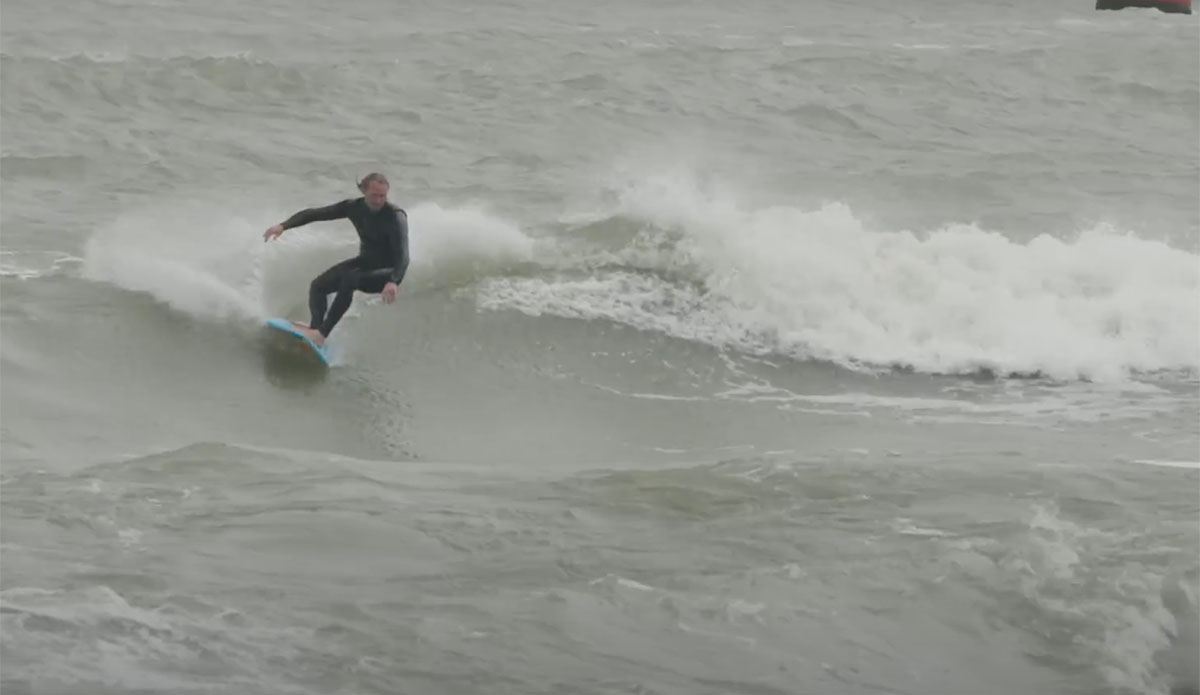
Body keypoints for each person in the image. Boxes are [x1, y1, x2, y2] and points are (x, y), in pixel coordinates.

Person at [263, 173, 410, 346]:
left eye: (383, 196)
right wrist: (283, 226)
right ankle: (315, 329)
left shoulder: (395, 216)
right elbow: (316, 214)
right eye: (374, 195)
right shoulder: (353, 207)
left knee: (350, 279)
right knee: (318, 286)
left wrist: (393, 281)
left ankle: (321, 334)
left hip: (389, 272)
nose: (379, 200)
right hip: (365, 263)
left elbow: (404, 256)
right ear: (363, 191)